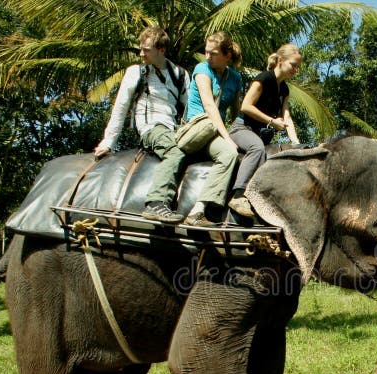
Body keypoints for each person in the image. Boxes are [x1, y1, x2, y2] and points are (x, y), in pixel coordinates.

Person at [94, 27, 189, 224]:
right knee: (175, 152)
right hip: (151, 127)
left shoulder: (180, 74)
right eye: (141, 49)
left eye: (146, 50)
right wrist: (109, 141)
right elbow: (121, 107)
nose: (141, 54)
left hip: (174, 129)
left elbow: (189, 108)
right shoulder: (136, 72)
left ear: (161, 50)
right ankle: (156, 202)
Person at [226, 44, 302, 218]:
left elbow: (287, 117)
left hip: (259, 134)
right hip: (241, 129)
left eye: (298, 67)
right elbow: (245, 106)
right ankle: (238, 195)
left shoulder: (284, 89)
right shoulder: (264, 78)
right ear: (280, 61)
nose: (295, 70)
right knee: (257, 148)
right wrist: (271, 121)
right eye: (293, 65)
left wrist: (297, 143)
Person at [182, 32, 243, 227]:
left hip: (216, 130)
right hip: (199, 126)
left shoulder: (235, 78)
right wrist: (229, 139)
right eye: (206, 52)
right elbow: (209, 107)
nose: (208, 56)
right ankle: (197, 211)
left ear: (227, 56)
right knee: (229, 154)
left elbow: (236, 114)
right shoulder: (202, 69)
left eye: (213, 53)